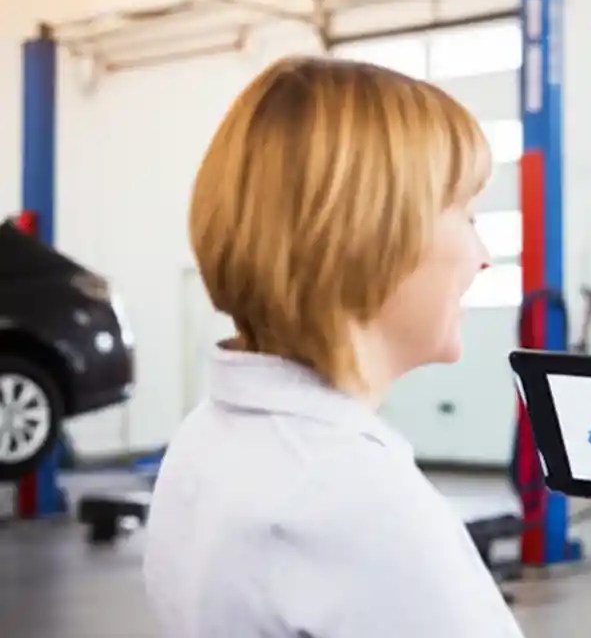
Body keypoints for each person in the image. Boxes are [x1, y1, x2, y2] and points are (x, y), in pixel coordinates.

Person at [142, 57, 525, 638]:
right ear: (374, 234)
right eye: (466, 215)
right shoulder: (354, 501)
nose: (483, 254)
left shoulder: (208, 436)